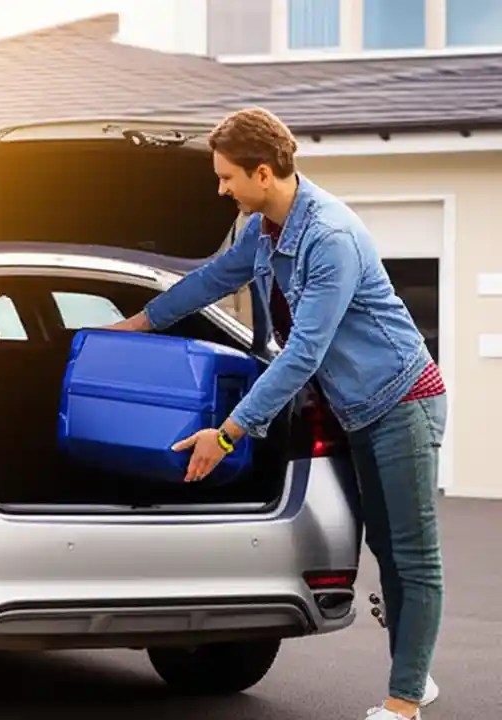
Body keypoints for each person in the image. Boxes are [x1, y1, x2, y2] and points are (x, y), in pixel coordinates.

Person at [106, 107, 446, 720]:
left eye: (227, 177)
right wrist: (138, 324)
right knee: (387, 550)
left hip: (402, 400)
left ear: (263, 172)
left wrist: (227, 433)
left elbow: (302, 355)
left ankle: (403, 703)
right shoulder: (261, 229)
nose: (221, 190)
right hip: (357, 406)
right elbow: (213, 279)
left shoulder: (330, 238)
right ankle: (414, 677)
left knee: (413, 556)